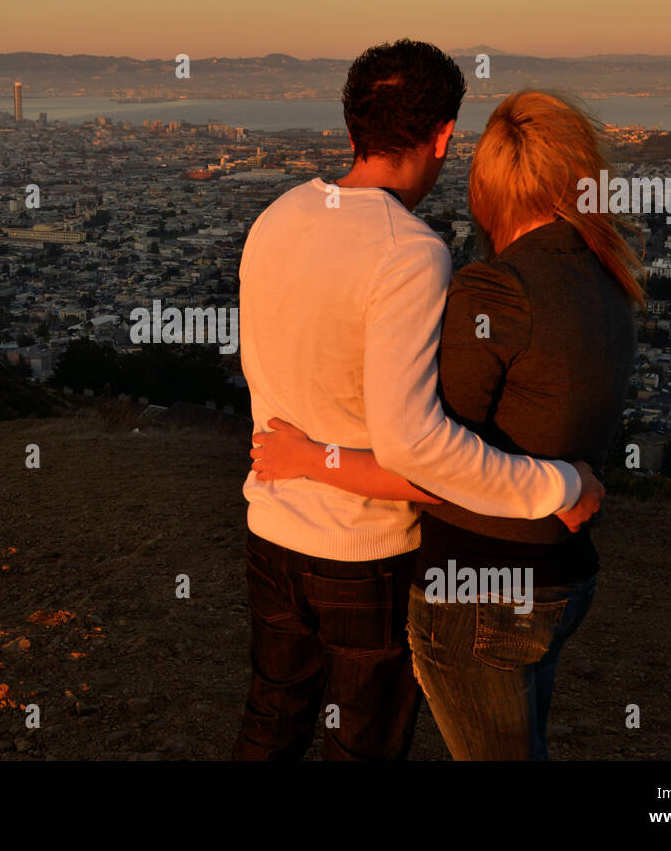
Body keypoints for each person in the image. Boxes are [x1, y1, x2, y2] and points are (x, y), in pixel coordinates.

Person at [235, 41, 604, 762]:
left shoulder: (275, 218)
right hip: (365, 555)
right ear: (443, 137)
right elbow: (417, 445)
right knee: (362, 745)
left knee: (271, 721)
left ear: (352, 130)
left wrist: (305, 458)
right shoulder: (409, 249)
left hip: (271, 530)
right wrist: (554, 482)